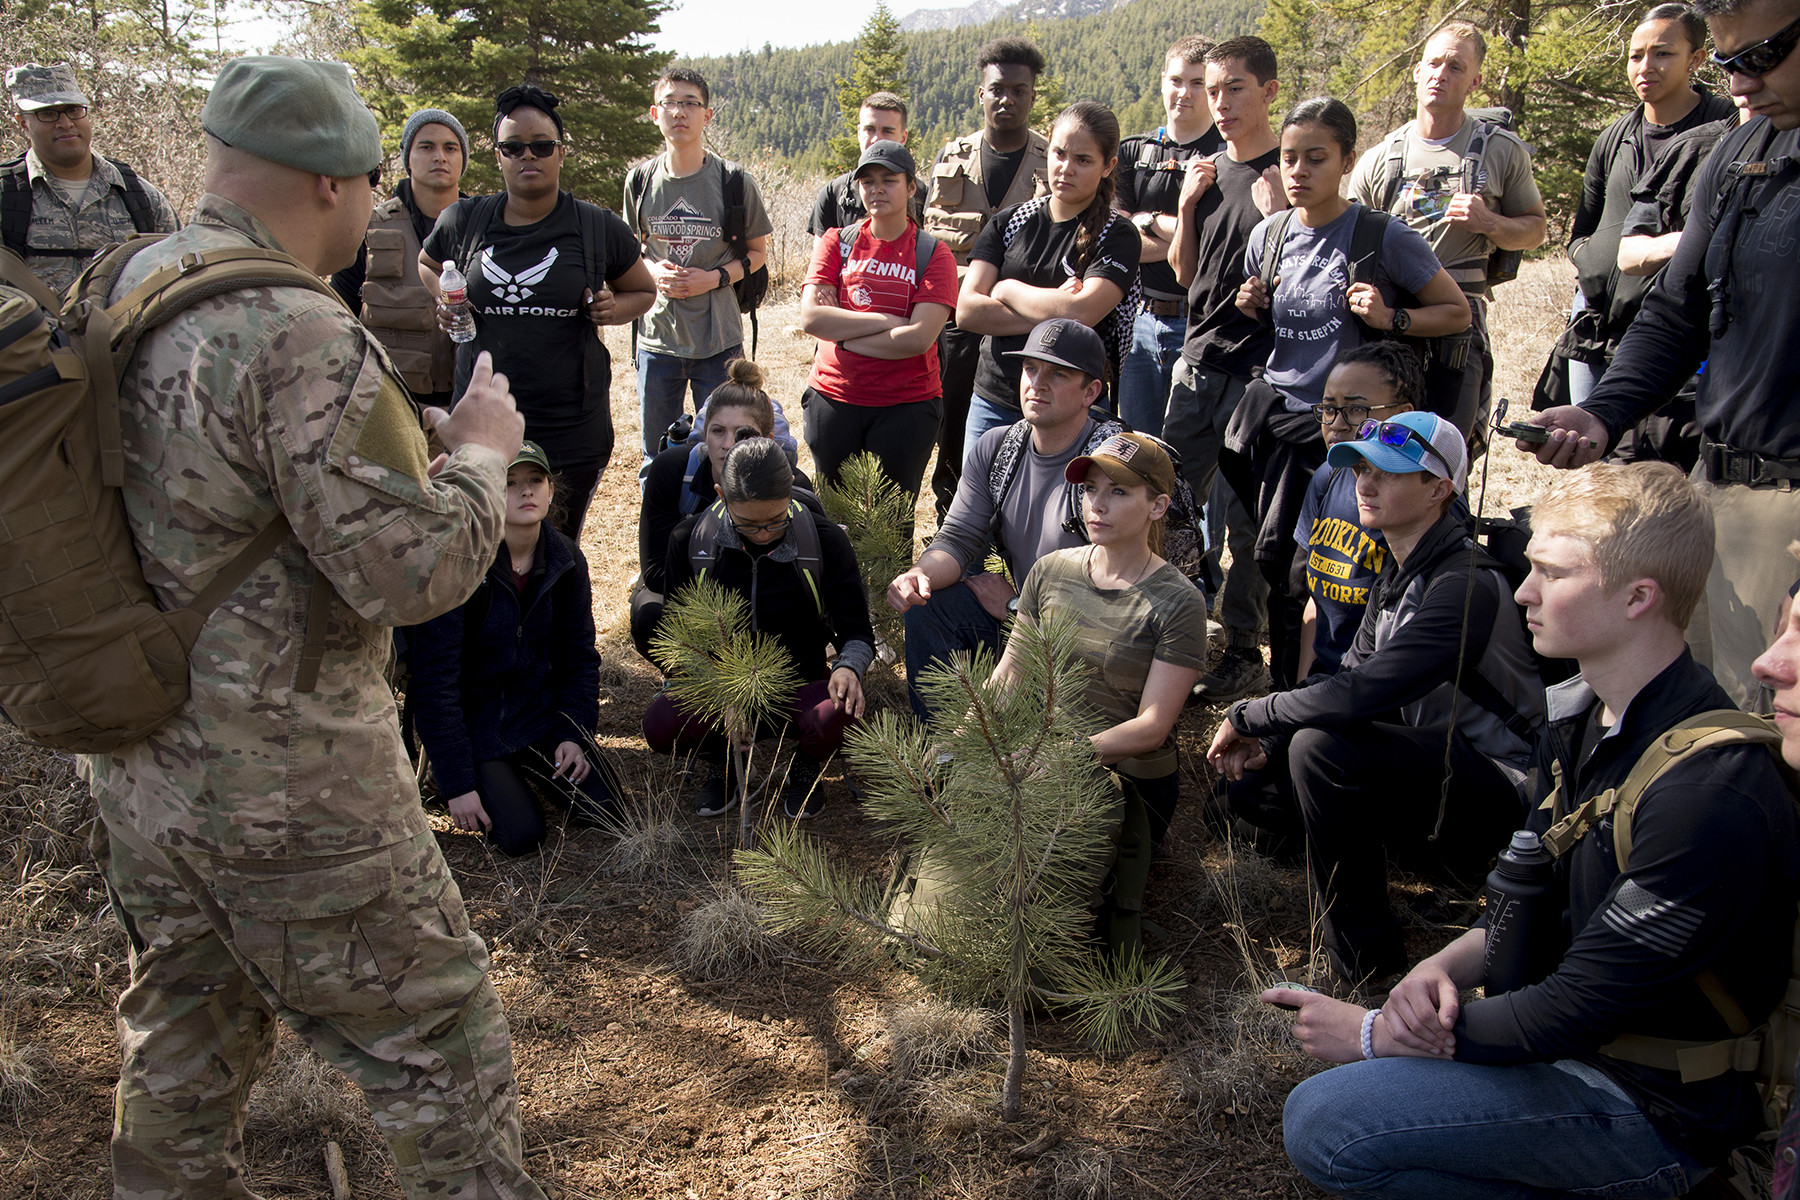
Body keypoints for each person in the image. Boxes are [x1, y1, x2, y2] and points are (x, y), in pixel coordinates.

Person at [79, 55, 544, 1198]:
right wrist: (482, 453)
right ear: (337, 185)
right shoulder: (297, 331)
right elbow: (414, 574)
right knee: (440, 1042)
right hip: (291, 788)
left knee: (185, 1017)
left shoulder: (127, 280)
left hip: (145, 765)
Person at [1267, 462, 1799, 1200]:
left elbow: (1582, 1002)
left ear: (1639, 597)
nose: (1523, 591)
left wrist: (1374, 1035)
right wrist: (1442, 970)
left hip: (1656, 1106)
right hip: (1579, 1056)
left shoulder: (1709, 792)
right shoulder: (1583, 721)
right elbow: (1535, 889)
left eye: (1552, 572)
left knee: (1330, 1123)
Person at [1525, 0, 1800, 712]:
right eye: (1729, 63)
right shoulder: (1741, 154)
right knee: (1714, 716)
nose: (1740, 86)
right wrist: (1603, 413)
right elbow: (1677, 311)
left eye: (1761, 59)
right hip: (1721, 491)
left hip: (1793, 504)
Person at [1209, 411, 1540, 984]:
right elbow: (1345, 677)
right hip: (1432, 770)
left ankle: (1366, 967)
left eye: (1387, 472)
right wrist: (1269, 740)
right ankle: (1414, 867)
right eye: (1360, 469)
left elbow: (1369, 689)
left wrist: (1253, 714)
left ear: (1440, 489)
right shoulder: (1399, 571)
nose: (1365, 483)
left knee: (1318, 750)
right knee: (1247, 792)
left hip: (1505, 785)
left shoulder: (1464, 583)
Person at [1232, 96, 1469, 692]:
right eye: (1289, 158)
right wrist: (1251, 305)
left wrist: (1392, 319)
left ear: (1347, 161)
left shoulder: (1382, 235)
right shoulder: (1269, 234)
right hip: (1285, 425)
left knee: (1352, 567)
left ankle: (1354, 680)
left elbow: (1455, 312)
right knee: (1284, 566)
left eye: (1316, 158)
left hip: (1359, 435)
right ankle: (1288, 688)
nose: (1299, 171)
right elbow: (1278, 328)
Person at [422, 84, 654, 540]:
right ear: (498, 156)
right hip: (483, 420)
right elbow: (428, 264)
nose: (528, 156)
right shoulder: (464, 221)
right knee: (482, 547)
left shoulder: (596, 226)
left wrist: (613, 307)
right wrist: (444, 299)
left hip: (570, 424)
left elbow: (642, 291)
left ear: (561, 153)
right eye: (513, 147)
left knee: (555, 546)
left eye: (542, 146)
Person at [887, 318, 1110, 720]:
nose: (1036, 383)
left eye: (1058, 374)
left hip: (1094, 645)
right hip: (1028, 626)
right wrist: (918, 575)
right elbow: (957, 537)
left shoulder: (1110, 464)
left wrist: (1012, 606)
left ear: (1090, 391)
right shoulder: (999, 448)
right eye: (1030, 368)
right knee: (930, 608)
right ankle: (946, 758)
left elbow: (1118, 600)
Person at [646, 437, 875, 819]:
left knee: (844, 711)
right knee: (660, 726)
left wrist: (849, 666)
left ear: (790, 494)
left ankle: (806, 764)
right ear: (720, 495)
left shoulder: (824, 541)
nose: (764, 534)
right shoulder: (691, 543)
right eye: (748, 524)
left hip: (799, 684)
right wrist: (717, 690)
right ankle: (724, 757)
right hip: (721, 689)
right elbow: (681, 637)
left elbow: (857, 631)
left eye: (775, 520)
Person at [998, 431, 1208, 846]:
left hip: (1124, 778)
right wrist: (966, 736)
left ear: (1158, 506)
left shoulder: (1179, 601)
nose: (1097, 503)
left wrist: (1062, 759)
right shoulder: (1051, 571)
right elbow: (1009, 675)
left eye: (1119, 491)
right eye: (1090, 489)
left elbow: (1151, 727)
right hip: (1042, 754)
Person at [407, 441, 615, 858]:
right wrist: (458, 783)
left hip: (538, 719)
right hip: (476, 730)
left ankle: (528, 766)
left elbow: (579, 657)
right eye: (509, 482)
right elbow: (434, 683)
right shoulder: (459, 566)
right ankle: (452, 776)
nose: (525, 491)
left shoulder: (566, 559)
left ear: (550, 490)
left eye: (535, 480)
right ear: (485, 495)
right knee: (522, 837)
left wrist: (574, 734)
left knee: (606, 810)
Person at [1347, 22, 1548, 437]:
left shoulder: (1500, 151)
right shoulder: (1380, 158)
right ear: (1418, 71)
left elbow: (1535, 230)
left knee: (1447, 451)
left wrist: (1488, 222)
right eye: (1434, 63)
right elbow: (1348, 240)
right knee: (1379, 443)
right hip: (1387, 322)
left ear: (1475, 81)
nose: (1441, 73)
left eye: (1455, 66)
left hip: (1459, 326)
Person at [1166, 36, 1285, 703]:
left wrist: (1281, 217)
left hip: (1256, 373)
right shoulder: (1207, 173)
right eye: (1214, 91)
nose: (1222, 103)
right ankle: (1179, 626)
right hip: (1196, 362)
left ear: (1268, 91)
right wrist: (1186, 206)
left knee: (1247, 520)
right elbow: (1186, 275)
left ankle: (1243, 646)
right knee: (1172, 503)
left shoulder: (1284, 174)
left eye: (1236, 88)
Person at [1563, 3, 1734, 466]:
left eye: (1662, 54)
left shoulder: (1724, 133)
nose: (1645, 67)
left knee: (1660, 465)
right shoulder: (1615, 137)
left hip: (1671, 328)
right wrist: (1589, 264)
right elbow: (1584, 228)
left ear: (1696, 59)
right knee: (1594, 459)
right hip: (1596, 322)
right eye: (1636, 55)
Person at [957, 101, 1139, 455]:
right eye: (1059, 153)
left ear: (1108, 166)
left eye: (1083, 160)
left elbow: (1082, 313)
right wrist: (1057, 305)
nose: (1065, 169)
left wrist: (1005, 288)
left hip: (1073, 411)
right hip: (995, 399)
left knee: (1059, 511)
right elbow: (967, 311)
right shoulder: (1009, 222)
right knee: (979, 509)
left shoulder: (1118, 235)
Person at [922, 36, 1052, 519]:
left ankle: (1018, 523)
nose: (1007, 99)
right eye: (998, 89)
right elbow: (930, 242)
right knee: (954, 422)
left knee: (1026, 423)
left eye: (1019, 90)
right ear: (981, 93)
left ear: (1032, 96)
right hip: (956, 322)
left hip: (1023, 326)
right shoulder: (951, 159)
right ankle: (949, 516)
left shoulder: (1051, 162)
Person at [798, 139, 958, 532]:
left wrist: (847, 333)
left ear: (911, 187)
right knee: (833, 523)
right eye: (868, 181)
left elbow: (917, 339)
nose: (877, 189)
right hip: (834, 399)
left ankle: (886, 596)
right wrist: (885, 319)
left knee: (890, 528)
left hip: (905, 406)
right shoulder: (838, 242)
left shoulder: (933, 255)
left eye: (889, 180)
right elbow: (813, 319)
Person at [624, 67, 772, 478]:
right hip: (657, 342)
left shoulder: (734, 181)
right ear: (656, 113)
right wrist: (652, 270)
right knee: (656, 459)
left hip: (719, 342)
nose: (680, 112)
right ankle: (660, 540)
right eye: (671, 102)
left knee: (731, 454)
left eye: (690, 103)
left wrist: (714, 278)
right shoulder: (639, 181)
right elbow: (632, 249)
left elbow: (757, 252)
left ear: (707, 116)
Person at [632, 359, 820, 662]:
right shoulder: (673, 471)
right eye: (718, 431)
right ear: (704, 434)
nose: (728, 444)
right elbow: (655, 572)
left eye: (743, 433)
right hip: (694, 596)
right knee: (650, 614)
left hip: (768, 600)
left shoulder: (791, 484)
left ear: (767, 440)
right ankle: (691, 681)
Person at [1113, 35, 1223, 438]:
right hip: (1138, 321)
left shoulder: (1227, 155)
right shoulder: (1132, 152)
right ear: (1162, 81)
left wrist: (1147, 219)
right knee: (1136, 448)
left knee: (1191, 455)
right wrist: (1184, 227)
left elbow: (1218, 243)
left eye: (1198, 83)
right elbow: (1119, 243)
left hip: (1199, 321)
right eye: (1177, 80)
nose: (1185, 93)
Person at [1296, 342, 1423, 680]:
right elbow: (1316, 606)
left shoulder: (1422, 498)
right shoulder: (1328, 474)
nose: (1335, 424)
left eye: (1355, 410)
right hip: (1324, 682)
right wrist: (1299, 693)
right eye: (1328, 408)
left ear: (1402, 414)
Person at [332, 107, 470, 410]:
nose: (440, 157)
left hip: (467, 405)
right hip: (388, 403)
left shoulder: (487, 229)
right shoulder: (369, 227)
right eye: (426, 146)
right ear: (408, 157)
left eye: (450, 148)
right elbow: (339, 315)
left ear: (463, 159)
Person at [3, 62, 177, 293]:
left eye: (74, 110)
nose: (65, 123)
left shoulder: (142, 198)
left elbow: (176, 278)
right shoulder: (8, 196)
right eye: (47, 114)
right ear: (23, 122)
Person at [806, 91, 919, 234]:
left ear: (903, 137)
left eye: (887, 131)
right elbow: (821, 253)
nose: (876, 139)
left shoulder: (920, 195)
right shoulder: (834, 194)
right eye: (869, 130)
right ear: (859, 132)